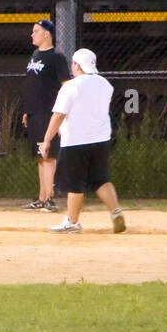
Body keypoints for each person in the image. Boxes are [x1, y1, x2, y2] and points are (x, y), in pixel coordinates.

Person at [41, 48, 126, 234]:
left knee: (75, 183)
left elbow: (58, 115)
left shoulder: (71, 86)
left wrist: (47, 139)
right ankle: (115, 211)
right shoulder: (105, 84)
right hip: (101, 139)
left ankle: (72, 222)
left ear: (77, 65)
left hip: (76, 141)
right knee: (101, 179)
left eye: (73, 63)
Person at [21, 19, 70, 212]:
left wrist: (61, 110)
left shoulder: (56, 56)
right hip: (34, 112)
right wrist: (27, 111)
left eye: (36, 31)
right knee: (40, 156)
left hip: (47, 113)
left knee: (47, 155)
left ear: (46, 34)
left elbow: (66, 84)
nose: (32, 35)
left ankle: (49, 198)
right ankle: (42, 197)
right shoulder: (35, 54)